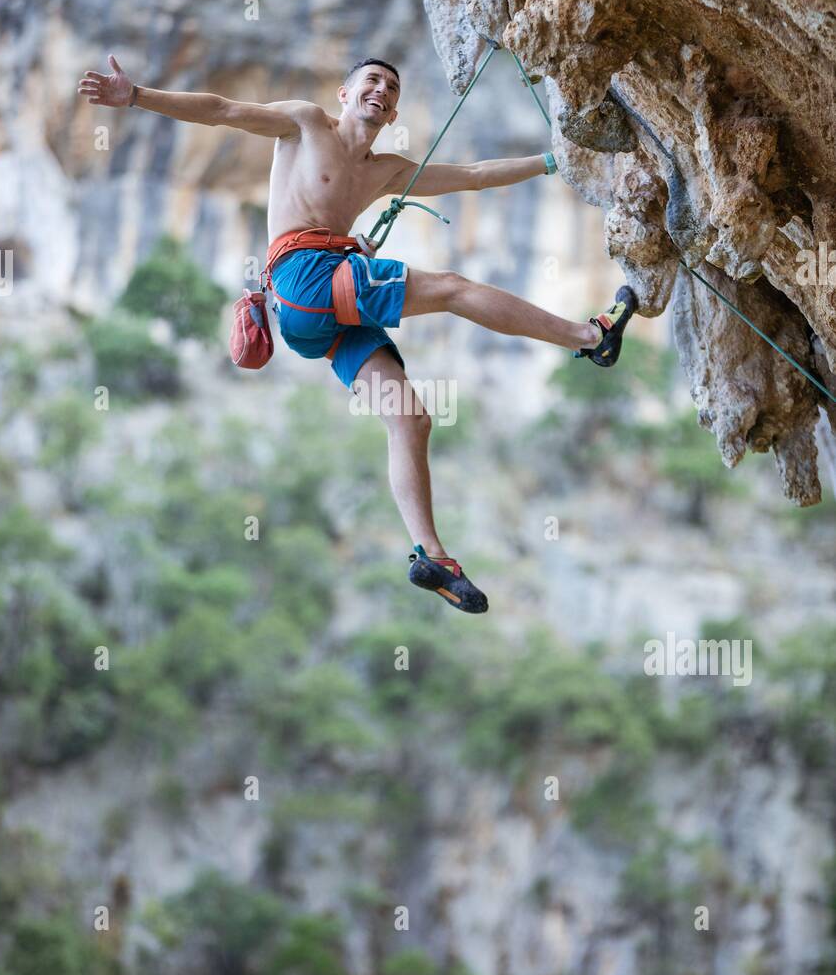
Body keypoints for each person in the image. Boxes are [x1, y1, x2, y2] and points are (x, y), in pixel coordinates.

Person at [78, 54, 637, 614]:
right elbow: (223, 110)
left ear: (393, 112)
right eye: (371, 80)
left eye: (391, 88)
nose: (382, 90)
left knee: (410, 418)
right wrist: (135, 97)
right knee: (450, 288)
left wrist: (549, 161)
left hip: (318, 319)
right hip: (304, 278)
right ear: (344, 94)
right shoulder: (304, 123)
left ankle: (432, 555)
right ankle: (589, 338)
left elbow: (472, 176)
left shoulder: (388, 170)